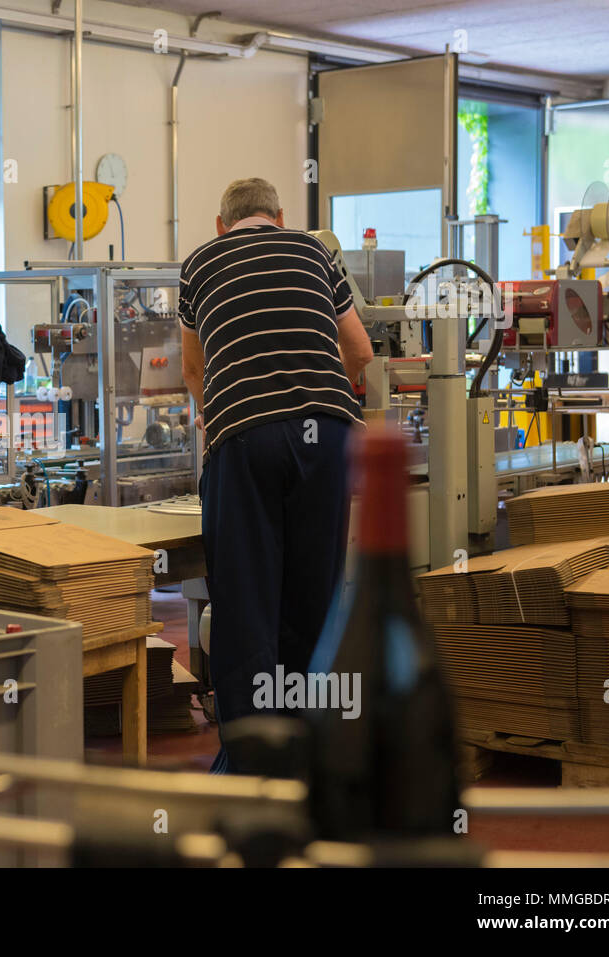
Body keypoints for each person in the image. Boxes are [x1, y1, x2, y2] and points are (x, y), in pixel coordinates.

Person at [178, 177, 374, 774]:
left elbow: (193, 367)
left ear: (221, 225)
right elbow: (361, 351)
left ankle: (252, 764)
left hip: (247, 438)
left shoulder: (197, 265)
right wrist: (314, 393)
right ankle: (311, 757)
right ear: (280, 218)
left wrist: (231, 416)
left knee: (246, 606)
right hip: (329, 436)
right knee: (313, 600)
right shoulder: (315, 250)